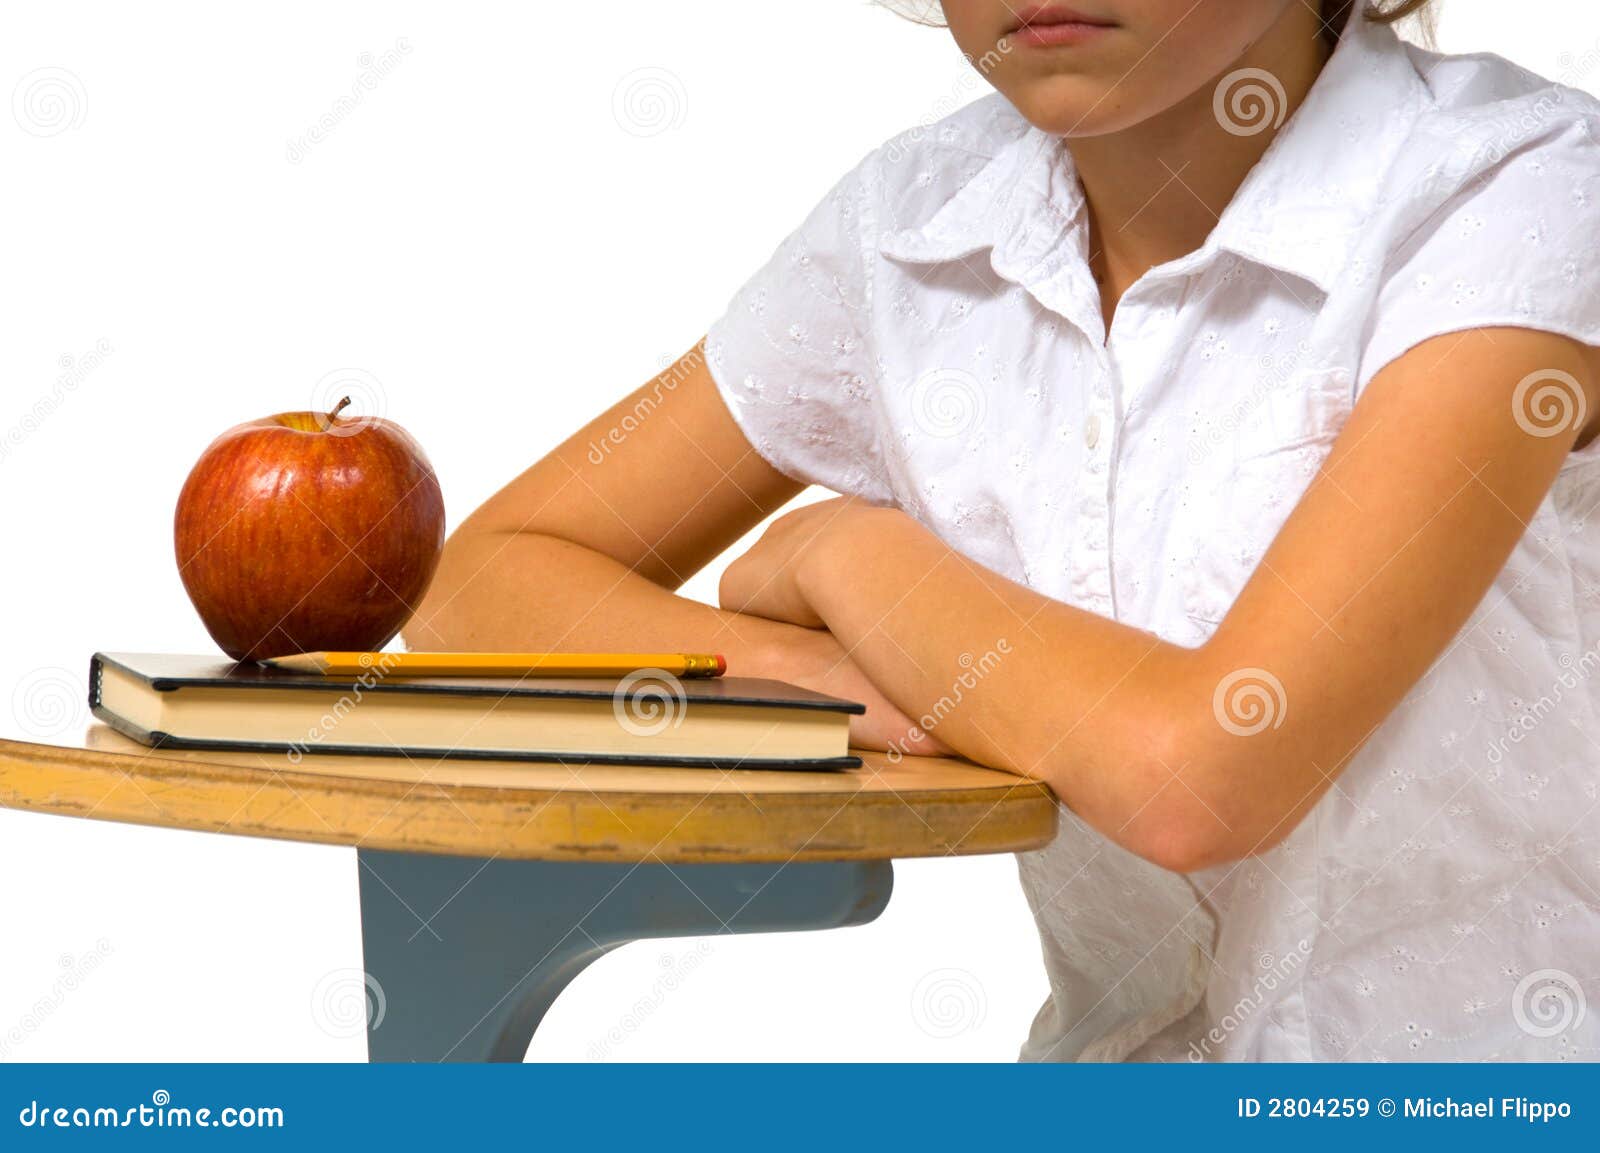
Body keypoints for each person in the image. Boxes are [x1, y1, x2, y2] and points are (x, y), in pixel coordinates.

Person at [408, 0, 1600, 1060]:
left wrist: (847, 554)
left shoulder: (1520, 188)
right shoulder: (912, 221)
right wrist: (803, 676)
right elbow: (477, 583)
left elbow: (1200, 782)